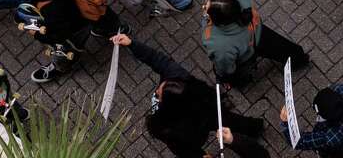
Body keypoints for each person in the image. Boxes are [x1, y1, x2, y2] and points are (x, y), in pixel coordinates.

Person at [112, 32, 269, 158]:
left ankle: (253, 129)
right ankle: (254, 128)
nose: (158, 89)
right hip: (202, 118)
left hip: (198, 127)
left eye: (159, 93)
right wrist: (132, 44)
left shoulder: (164, 125)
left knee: (230, 121)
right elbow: (155, 59)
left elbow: (183, 149)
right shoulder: (178, 80)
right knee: (230, 120)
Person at [10, 0, 122, 82]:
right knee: (102, 16)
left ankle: (61, 66)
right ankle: (115, 29)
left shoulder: (48, 6)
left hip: (77, 23)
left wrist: (36, 33)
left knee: (66, 48)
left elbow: (58, 35)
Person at [201, 0, 308, 85]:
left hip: (247, 54)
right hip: (257, 31)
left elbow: (226, 67)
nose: (203, 7)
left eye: (207, 12)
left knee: (238, 75)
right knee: (284, 49)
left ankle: (243, 82)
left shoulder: (218, 43)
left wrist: (223, 76)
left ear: (220, 22)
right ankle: (300, 59)